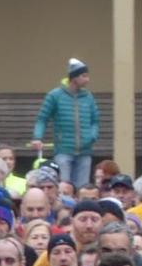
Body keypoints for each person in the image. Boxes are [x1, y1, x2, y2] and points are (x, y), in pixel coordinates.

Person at [31, 58, 99, 188]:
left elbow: (95, 120)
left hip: (85, 151)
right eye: (84, 76)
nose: (87, 79)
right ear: (74, 78)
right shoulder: (55, 96)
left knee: (82, 188)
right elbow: (42, 118)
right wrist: (37, 137)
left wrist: (92, 136)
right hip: (63, 150)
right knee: (63, 186)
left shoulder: (89, 97)